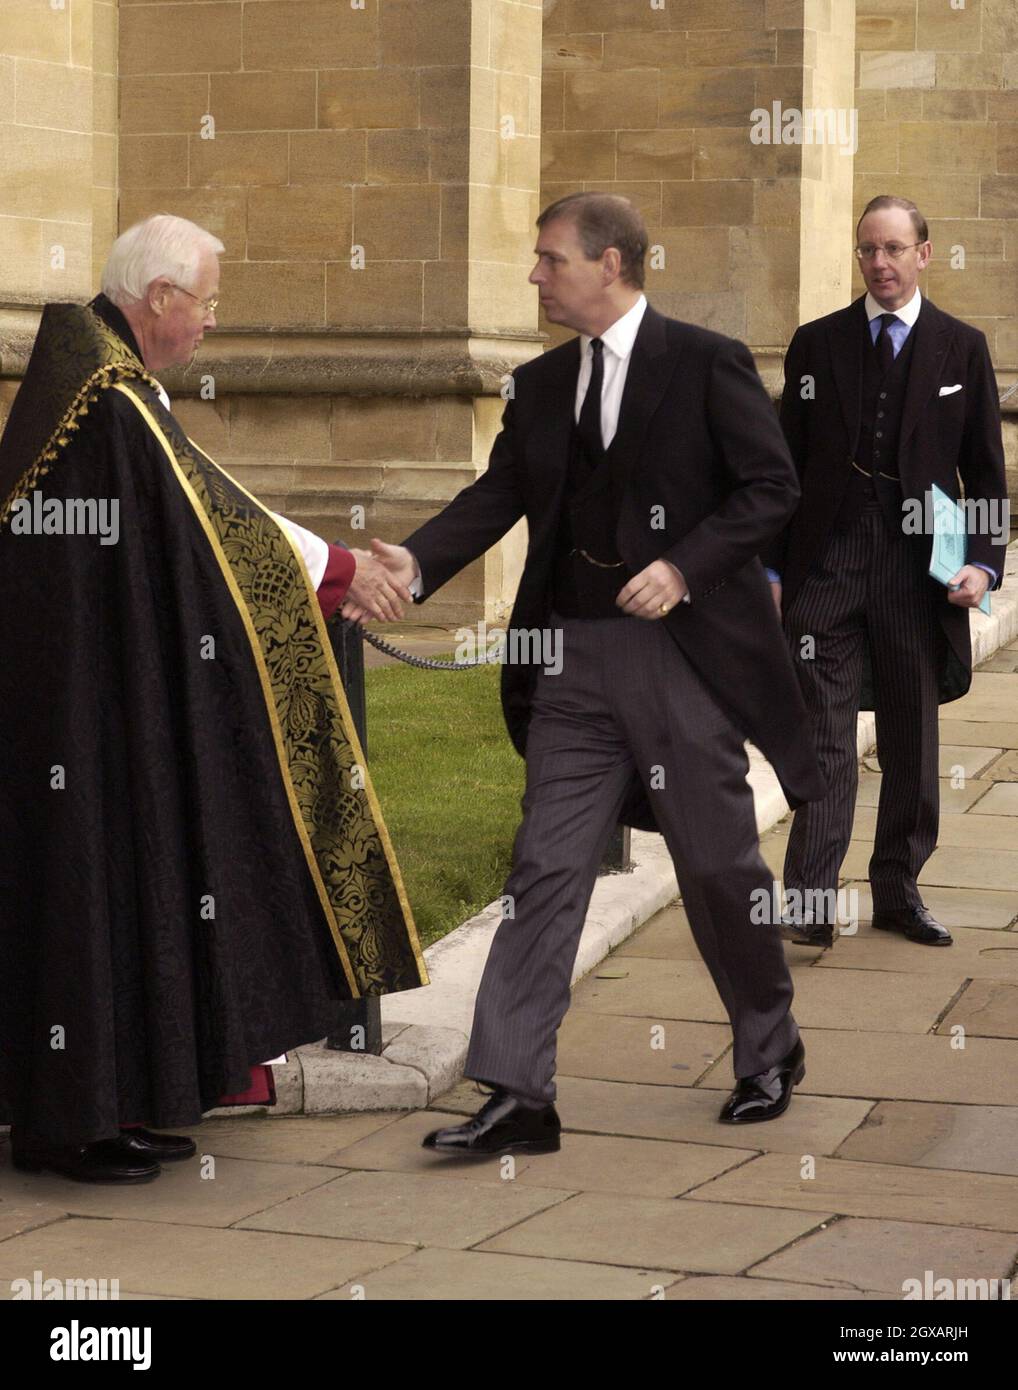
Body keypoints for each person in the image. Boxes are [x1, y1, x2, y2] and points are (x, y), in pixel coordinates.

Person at [346, 192, 826, 1155]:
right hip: (568, 662)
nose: (534, 275)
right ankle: (520, 1091)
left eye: (549, 259)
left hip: (682, 663)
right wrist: (418, 560)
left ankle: (769, 1047)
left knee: (718, 866)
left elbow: (772, 488)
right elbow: (497, 496)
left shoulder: (705, 364)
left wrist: (685, 565)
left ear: (612, 265)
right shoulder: (535, 383)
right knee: (544, 868)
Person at [0, 214, 426, 1184]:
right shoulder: (105, 392)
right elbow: (215, 518)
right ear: (160, 300)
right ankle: (68, 1124)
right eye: (206, 306)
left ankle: (120, 1104)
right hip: (81, 710)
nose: (209, 327)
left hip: (103, 697)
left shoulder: (105, 375)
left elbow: (196, 504)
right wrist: (344, 566)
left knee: (122, 888)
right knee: (91, 892)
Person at [765, 195, 1009, 951]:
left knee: (912, 736)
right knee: (826, 734)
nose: (881, 263)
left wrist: (983, 564)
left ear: (923, 254)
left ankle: (898, 891)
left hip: (916, 572)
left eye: (895, 249)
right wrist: (770, 570)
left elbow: (987, 476)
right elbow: (781, 467)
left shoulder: (961, 348)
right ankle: (808, 896)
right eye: (869, 249)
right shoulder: (816, 343)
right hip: (828, 562)